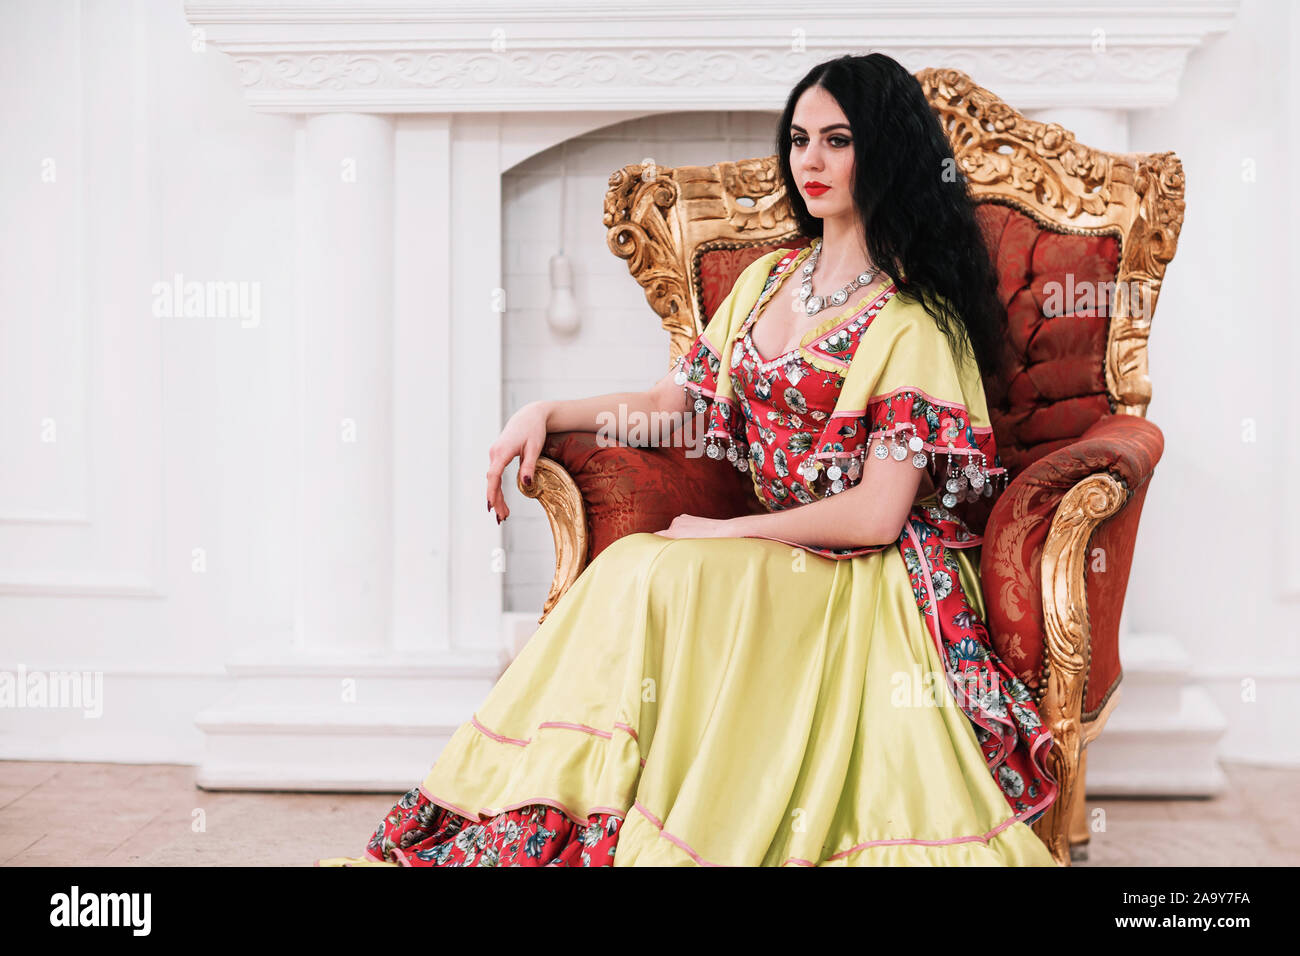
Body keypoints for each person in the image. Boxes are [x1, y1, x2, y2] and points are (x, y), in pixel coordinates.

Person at [316, 53, 1058, 867]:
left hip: (867, 579)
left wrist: (731, 533)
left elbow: (878, 516)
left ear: (884, 153)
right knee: (635, 564)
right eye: (800, 139)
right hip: (779, 555)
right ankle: (559, 804)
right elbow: (673, 407)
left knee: (661, 565)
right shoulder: (768, 279)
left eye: (837, 141)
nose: (809, 161)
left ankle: (653, 820)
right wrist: (545, 412)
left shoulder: (914, 322)